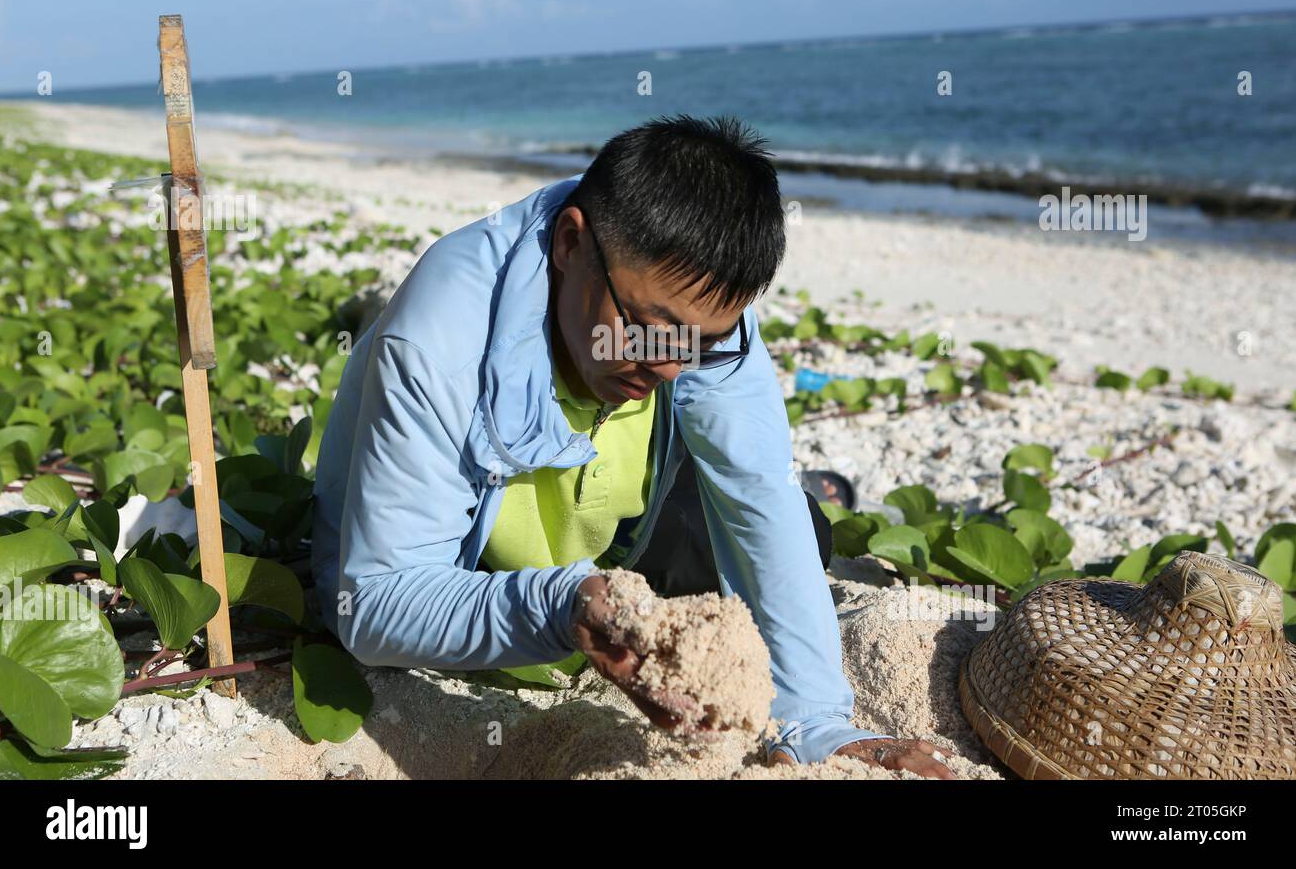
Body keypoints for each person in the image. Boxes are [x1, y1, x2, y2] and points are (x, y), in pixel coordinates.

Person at [310, 114, 952, 777]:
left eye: (701, 344)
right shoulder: (437, 345)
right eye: (650, 330)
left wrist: (816, 722)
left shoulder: (694, 307)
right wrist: (566, 605)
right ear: (569, 243)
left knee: (805, 529)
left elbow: (757, 491)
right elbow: (375, 605)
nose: (672, 367)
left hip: (612, 530)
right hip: (476, 570)